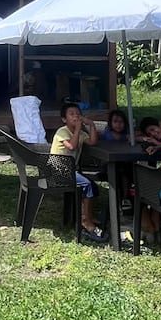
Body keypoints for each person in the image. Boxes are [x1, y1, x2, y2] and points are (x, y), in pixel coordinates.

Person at [51, 101, 107, 243]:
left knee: (93, 186)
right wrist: (77, 130)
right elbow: (71, 146)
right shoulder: (62, 132)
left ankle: (88, 214)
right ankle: (86, 222)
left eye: (78, 114)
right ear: (64, 119)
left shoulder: (81, 133)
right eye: (72, 114)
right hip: (58, 170)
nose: (76, 116)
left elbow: (93, 142)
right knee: (87, 184)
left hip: (70, 170)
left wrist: (92, 125)